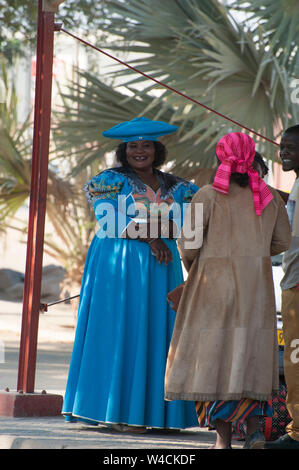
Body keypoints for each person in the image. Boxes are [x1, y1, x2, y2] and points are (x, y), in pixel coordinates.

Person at [62, 117, 198, 432]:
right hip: (117, 268)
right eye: (133, 146)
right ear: (124, 150)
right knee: (118, 330)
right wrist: (154, 236)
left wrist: (156, 232)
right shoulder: (108, 180)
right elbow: (109, 223)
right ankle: (119, 412)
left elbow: (193, 225)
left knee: (157, 333)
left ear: (157, 149)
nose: (140, 151)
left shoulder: (178, 186)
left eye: (146, 145)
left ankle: (153, 415)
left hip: (160, 269)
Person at [164, 132, 291, 448]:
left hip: (213, 288)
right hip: (256, 292)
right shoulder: (270, 197)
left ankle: (223, 440)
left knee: (213, 360)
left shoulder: (208, 195)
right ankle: (254, 430)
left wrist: (197, 267)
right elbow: (283, 242)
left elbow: (189, 244)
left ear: (222, 158)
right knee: (250, 356)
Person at [265, 124, 299, 449]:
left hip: (297, 285)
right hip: (290, 281)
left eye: (290, 148)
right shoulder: (296, 184)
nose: (283, 154)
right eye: (281, 148)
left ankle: (297, 433)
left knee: (296, 359)